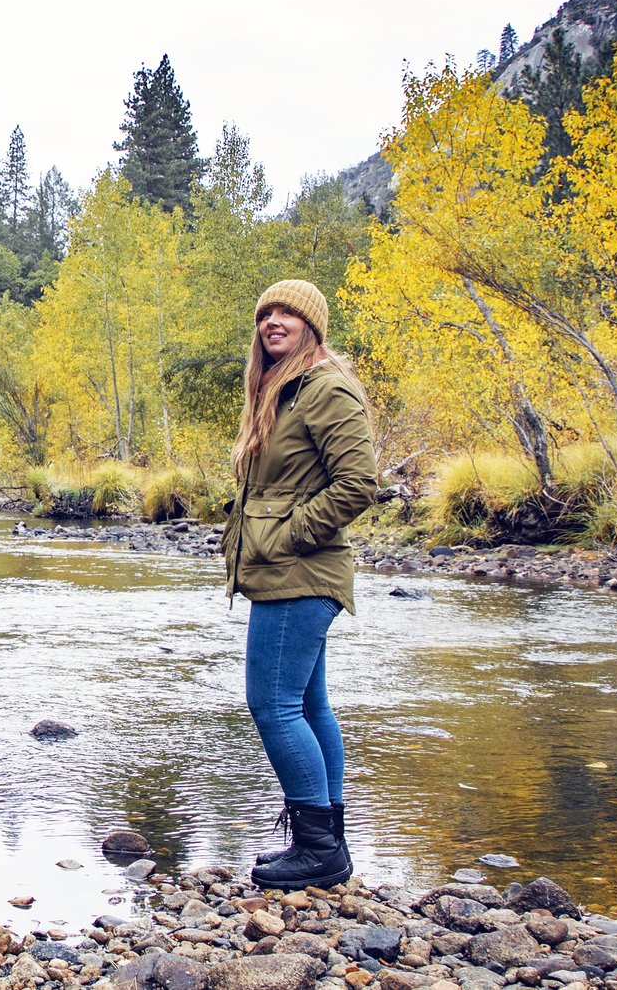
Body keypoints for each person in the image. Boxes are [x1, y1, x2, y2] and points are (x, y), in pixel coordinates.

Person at [222, 278, 379, 891]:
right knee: (309, 705)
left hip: (300, 570)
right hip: (286, 570)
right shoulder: (281, 391)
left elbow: (358, 483)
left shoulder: (327, 387)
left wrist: (286, 535)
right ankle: (326, 842)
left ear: (311, 324)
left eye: (286, 313)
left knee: (272, 705)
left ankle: (318, 848)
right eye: (265, 313)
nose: (273, 321)